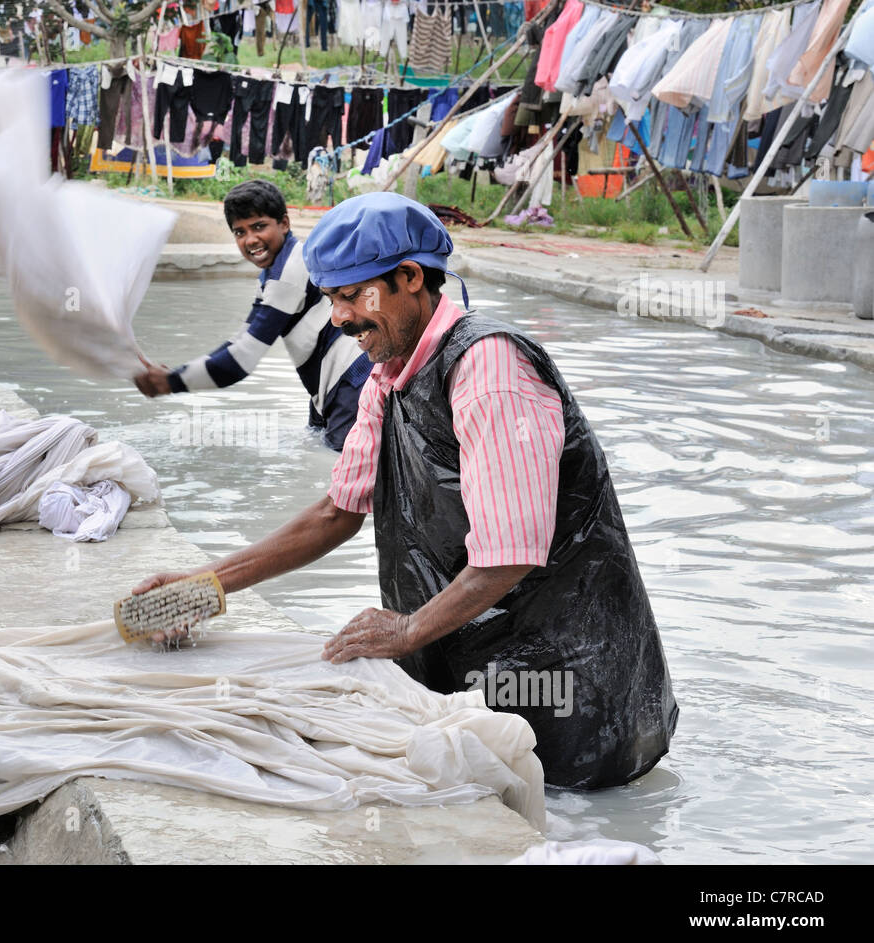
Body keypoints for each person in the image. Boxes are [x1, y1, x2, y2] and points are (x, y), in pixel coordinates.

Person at [133, 192, 679, 790]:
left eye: (350, 295)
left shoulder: (490, 371)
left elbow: (511, 553)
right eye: (330, 299)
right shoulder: (388, 374)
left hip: (576, 693)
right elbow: (337, 513)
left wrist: (407, 631)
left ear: (411, 278)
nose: (338, 318)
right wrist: (207, 584)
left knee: (561, 825)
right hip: (473, 671)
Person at [133, 180, 371, 452]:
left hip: (351, 383)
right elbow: (242, 340)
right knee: (323, 460)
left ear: (284, 223)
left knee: (345, 481)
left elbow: (240, 360)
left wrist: (172, 382)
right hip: (333, 386)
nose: (250, 240)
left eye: (259, 226)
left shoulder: (287, 275)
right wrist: (177, 375)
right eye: (239, 232)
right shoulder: (282, 265)